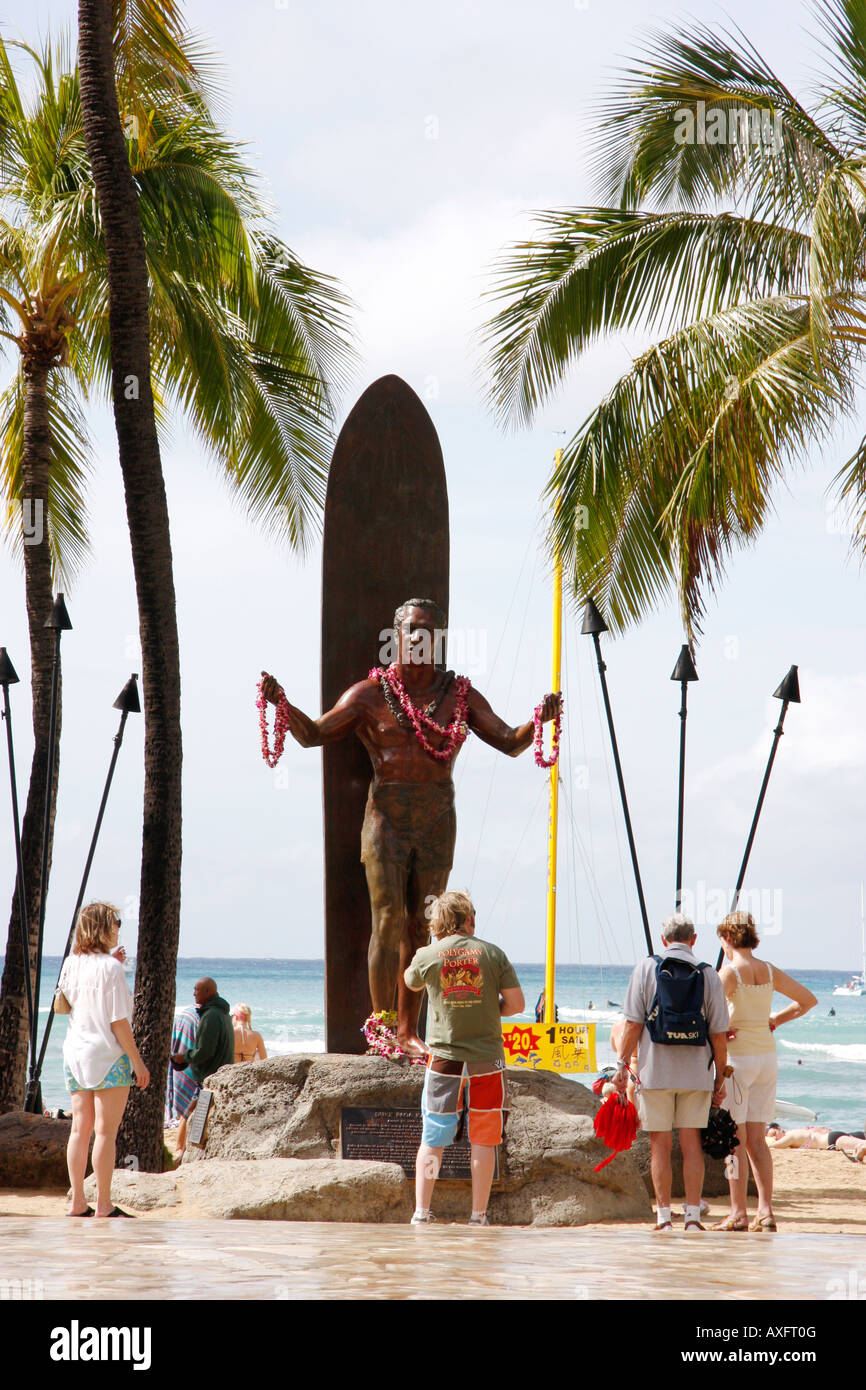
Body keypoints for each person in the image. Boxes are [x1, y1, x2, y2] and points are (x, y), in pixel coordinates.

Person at [261, 598, 559, 1056]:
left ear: (438, 638)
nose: (418, 638)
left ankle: (408, 1031)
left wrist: (537, 722)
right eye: (410, 630)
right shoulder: (369, 694)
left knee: (422, 928)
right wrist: (283, 704)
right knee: (387, 919)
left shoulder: (458, 696)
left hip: (437, 819)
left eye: (427, 631)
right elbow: (316, 734)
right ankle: (381, 1030)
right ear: (395, 637)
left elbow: (506, 741)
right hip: (385, 821)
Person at [403, 890, 524, 1226]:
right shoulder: (493, 953)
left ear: (439, 922)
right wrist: (488, 1009)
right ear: (469, 918)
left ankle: (422, 1213)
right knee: (484, 1139)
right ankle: (478, 1215)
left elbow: (410, 982)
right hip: (488, 1059)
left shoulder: (429, 954)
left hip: (444, 1058)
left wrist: (432, 943)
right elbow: (516, 1005)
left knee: (434, 1136)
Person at [613, 914, 728, 1233]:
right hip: (696, 1074)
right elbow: (718, 1033)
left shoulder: (645, 968)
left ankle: (663, 1218)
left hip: (655, 1072)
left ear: (664, 940)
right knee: (692, 1143)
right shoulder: (708, 974)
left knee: (659, 1145)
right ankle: (692, 1216)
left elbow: (633, 1024)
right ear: (693, 939)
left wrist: (622, 1065)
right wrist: (720, 1078)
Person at [714, 911, 817, 1232]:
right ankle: (766, 1210)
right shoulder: (768, 970)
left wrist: (725, 1028)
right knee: (757, 1140)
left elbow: (708, 1012)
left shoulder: (729, 972)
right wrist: (774, 1021)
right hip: (766, 1061)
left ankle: (737, 1212)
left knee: (734, 1140)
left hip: (738, 1062)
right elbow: (807, 1000)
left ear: (728, 938)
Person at [58, 902, 150, 1218]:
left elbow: (74, 1001)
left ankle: (77, 1201)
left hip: (75, 1053)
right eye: (115, 923)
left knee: (79, 1130)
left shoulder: (72, 962)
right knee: (106, 1132)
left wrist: (110, 963)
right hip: (108, 1055)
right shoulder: (111, 969)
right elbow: (118, 1022)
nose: (118, 929)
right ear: (102, 927)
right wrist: (137, 1062)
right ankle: (104, 1205)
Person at [170, 978, 235, 1087]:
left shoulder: (211, 1015)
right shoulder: (223, 1013)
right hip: (220, 1076)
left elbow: (204, 1051)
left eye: (197, 990)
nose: (194, 994)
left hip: (210, 1078)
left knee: (203, 1103)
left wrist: (184, 1057)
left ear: (207, 992)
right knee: (199, 1103)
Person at [164, 1006, 200, 1159]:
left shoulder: (185, 1016)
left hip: (179, 1065)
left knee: (185, 1111)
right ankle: (181, 1149)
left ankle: (181, 1148)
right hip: (192, 1066)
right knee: (190, 1110)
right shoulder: (201, 1018)